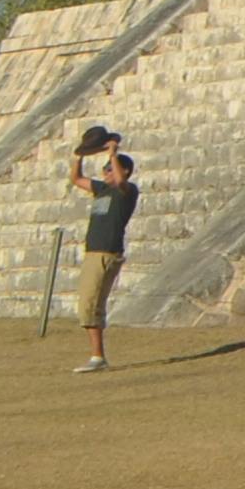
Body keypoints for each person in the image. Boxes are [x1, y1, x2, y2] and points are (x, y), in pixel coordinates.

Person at [66, 139, 137, 372]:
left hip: (106, 252)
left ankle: (97, 357)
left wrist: (113, 154)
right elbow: (76, 179)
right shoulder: (102, 190)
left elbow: (121, 181)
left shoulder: (126, 191)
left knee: (90, 304)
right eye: (105, 169)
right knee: (89, 304)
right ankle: (97, 356)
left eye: (109, 169)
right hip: (93, 252)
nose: (106, 172)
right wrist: (79, 155)